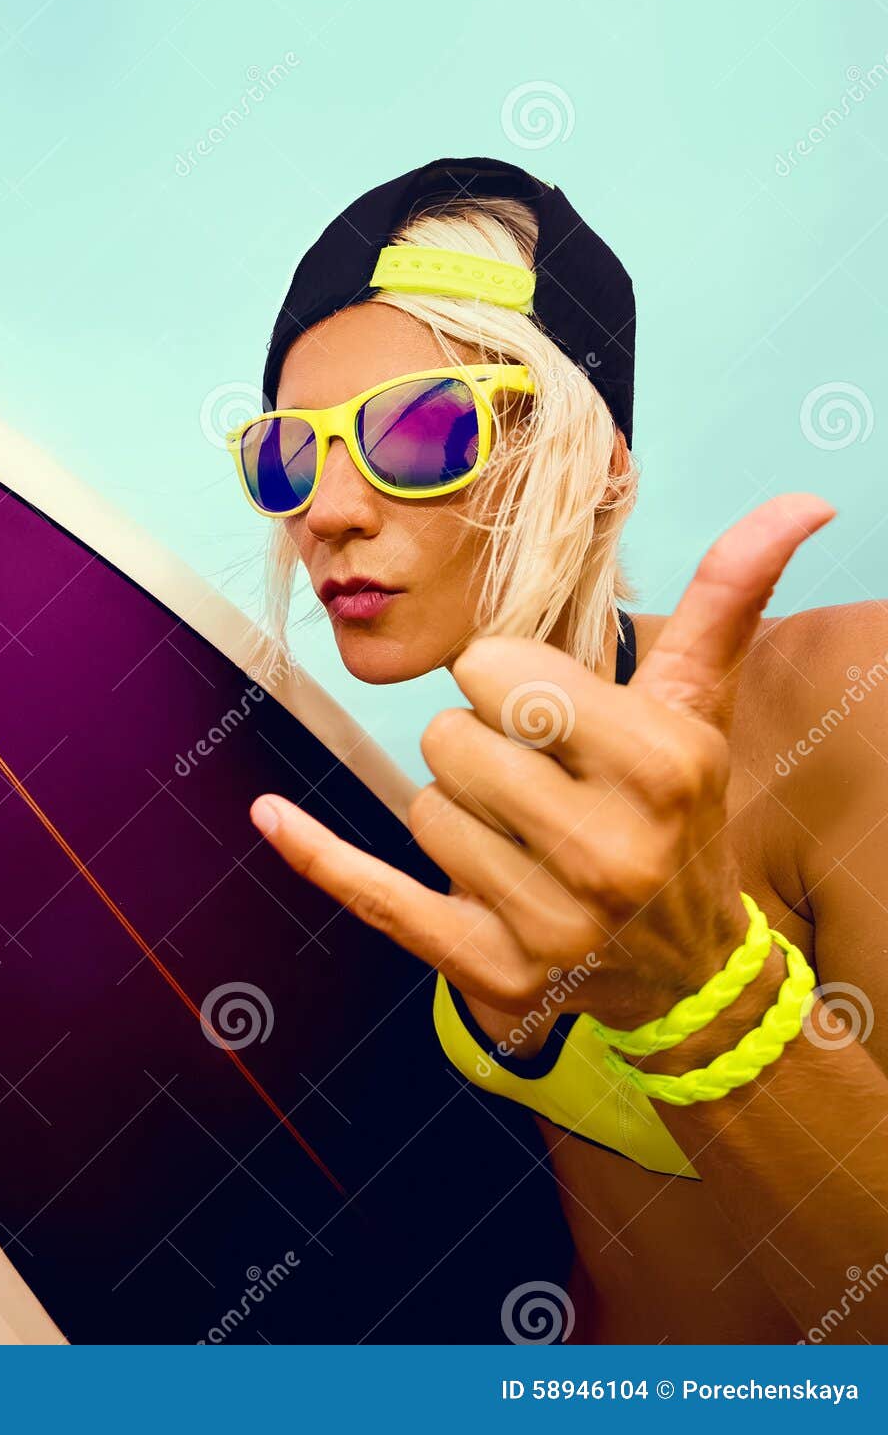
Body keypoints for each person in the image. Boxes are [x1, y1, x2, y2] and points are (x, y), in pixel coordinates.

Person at [226, 157, 888, 1344]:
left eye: (418, 431)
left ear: (602, 469)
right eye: (290, 453)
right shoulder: (463, 809)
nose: (326, 509)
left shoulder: (846, 699)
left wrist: (704, 1001)